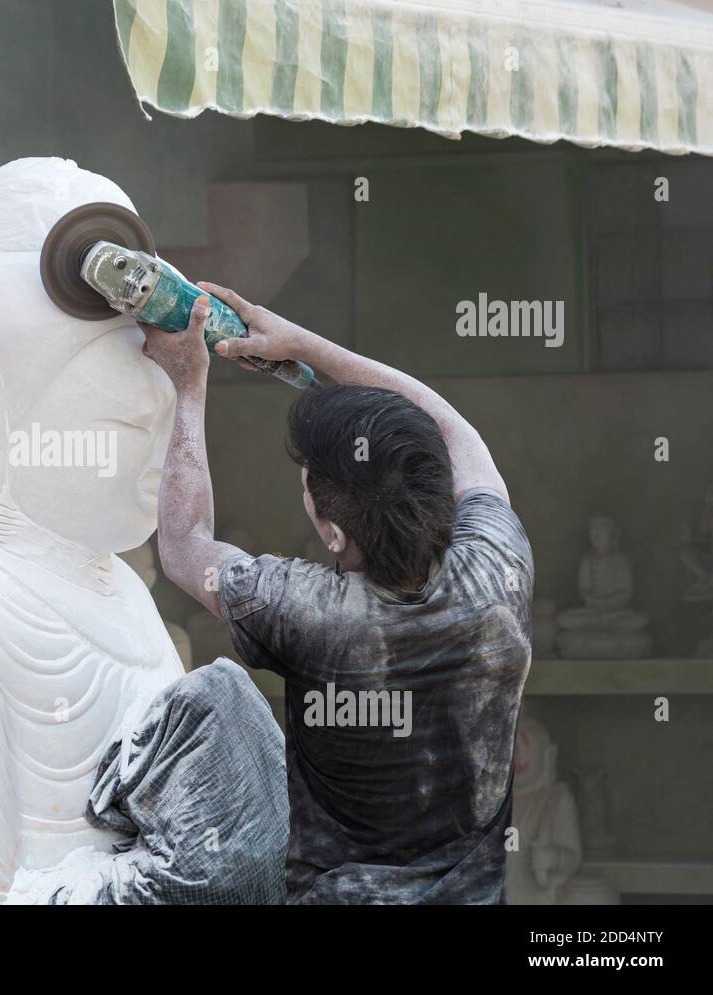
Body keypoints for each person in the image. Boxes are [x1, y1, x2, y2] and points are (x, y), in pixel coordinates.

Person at [140, 284, 533, 904]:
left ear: (332, 531)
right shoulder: (496, 574)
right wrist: (302, 345)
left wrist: (188, 385)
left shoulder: (311, 615)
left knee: (214, 697)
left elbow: (185, 546)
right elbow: (453, 431)